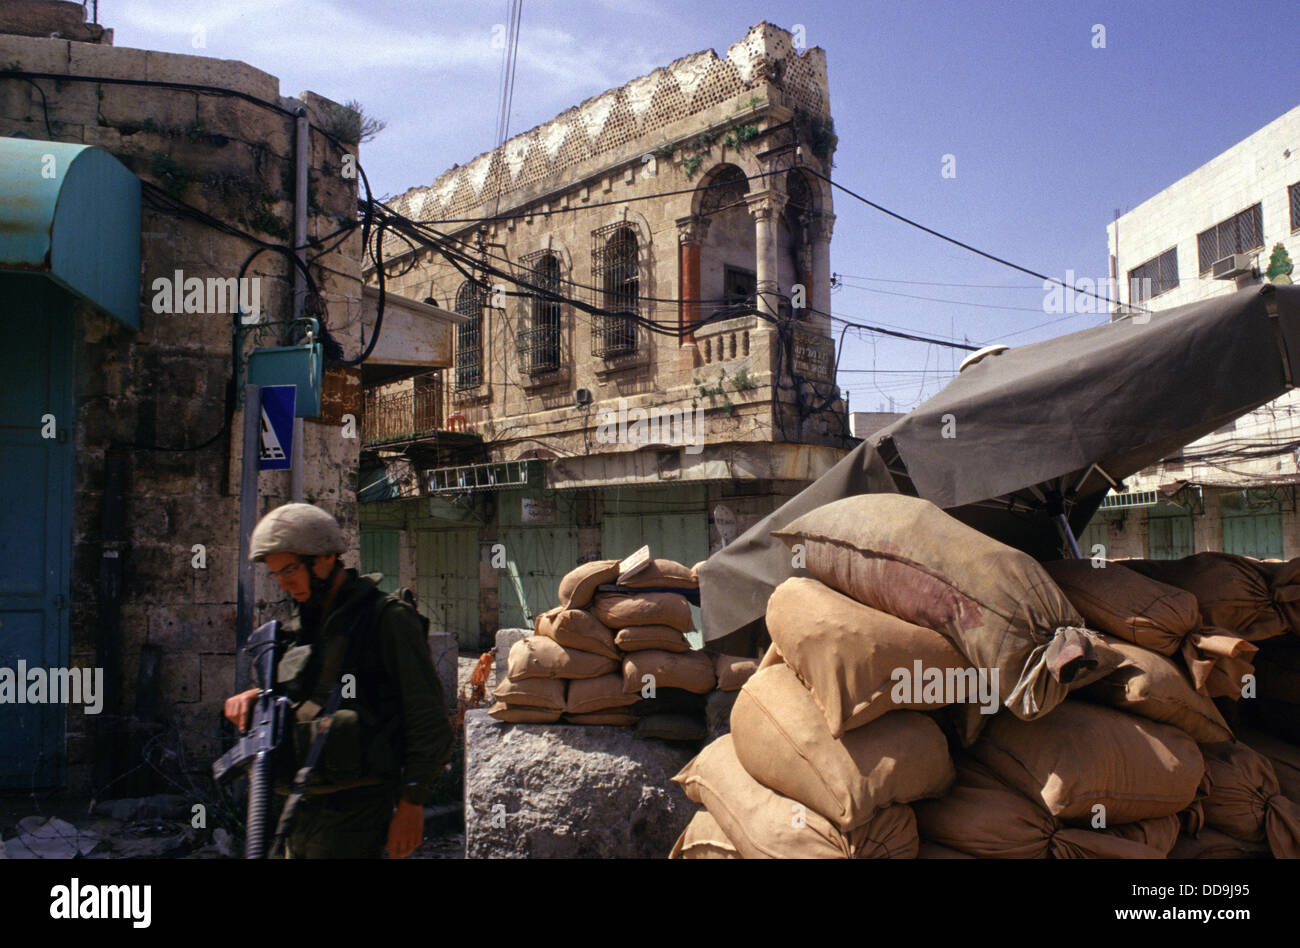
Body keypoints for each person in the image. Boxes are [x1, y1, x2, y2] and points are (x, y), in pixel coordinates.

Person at [223, 502, 453, 859]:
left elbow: (429, 720)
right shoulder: (306, 624)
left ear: (325, 559)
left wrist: (412, 804)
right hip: (299, 807)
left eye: (290, 570)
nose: (284, 583)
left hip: (357, 811)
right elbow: (304, 698)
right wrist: (258, 697)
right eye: (276, 574)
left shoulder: (387, 619)